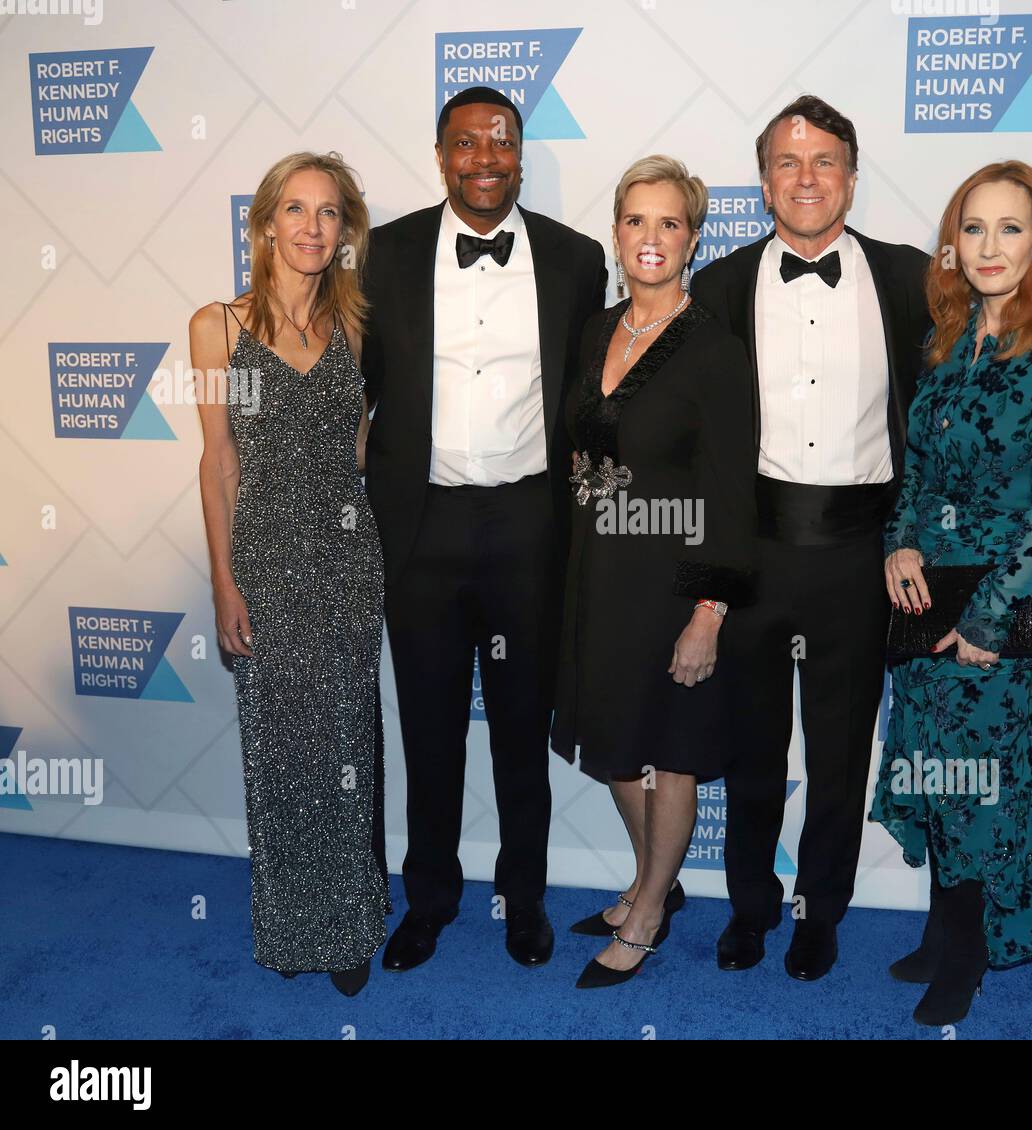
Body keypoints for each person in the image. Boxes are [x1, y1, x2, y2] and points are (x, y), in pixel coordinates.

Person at [360, 87, 606, 972]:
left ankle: (525, 901)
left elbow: (593, 403)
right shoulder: (383, 256)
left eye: (501, 143)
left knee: (518, 734)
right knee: (428, 732)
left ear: (521, 154)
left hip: (526, 532)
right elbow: (358, 393)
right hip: (420, 532)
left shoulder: (577, 261)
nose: (485, 159)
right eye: (467, 144)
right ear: (440, 155)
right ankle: (427, 902)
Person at [692, 95, 931, 981]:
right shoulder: (716, 290)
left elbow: (941, 424)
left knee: (838, 757)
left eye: (824, 160)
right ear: (762, 183)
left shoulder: (911, 280)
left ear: (853, 177)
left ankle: (820, 911)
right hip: (751, 555)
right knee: (751, 754)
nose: (806, 178)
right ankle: (749, 907)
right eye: (788, 163)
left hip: (861, 558)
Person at [871, 160, 1032, 1026]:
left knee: (980, 782)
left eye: (1011, 228)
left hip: (993, 610)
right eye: (974, 228)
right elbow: (917, 473)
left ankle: (968, 955)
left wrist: (990, 616)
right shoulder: (949, 341)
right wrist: (899, 543)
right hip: (923, 601)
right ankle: (942, 932)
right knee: (937, 768)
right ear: (953, 242)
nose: (990, 245)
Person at [551, 156, 756, 988]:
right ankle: (652, 883)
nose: (651, 237)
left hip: (676, 582)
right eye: (636, 219)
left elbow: (734, 491)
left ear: (694, 240)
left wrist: (709, 612)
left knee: (670, 754)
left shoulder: (714, 347)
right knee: (613, 749)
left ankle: (645, 916)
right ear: (616, 232)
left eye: (669, 222)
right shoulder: (597, 330)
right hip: (600, 575)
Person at [190, 151, 390, 997]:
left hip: (346, 560)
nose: (312, 227)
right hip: (264, 565)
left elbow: (357, 453)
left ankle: (348, 929)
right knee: (280, 753)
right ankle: (289, 925)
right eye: (296, 210)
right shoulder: (215, 326)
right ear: (265, 222)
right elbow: (217, 464)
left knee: (349, 743)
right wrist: (224, 581)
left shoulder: (353, 326)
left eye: (329, 213)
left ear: (345, 231)